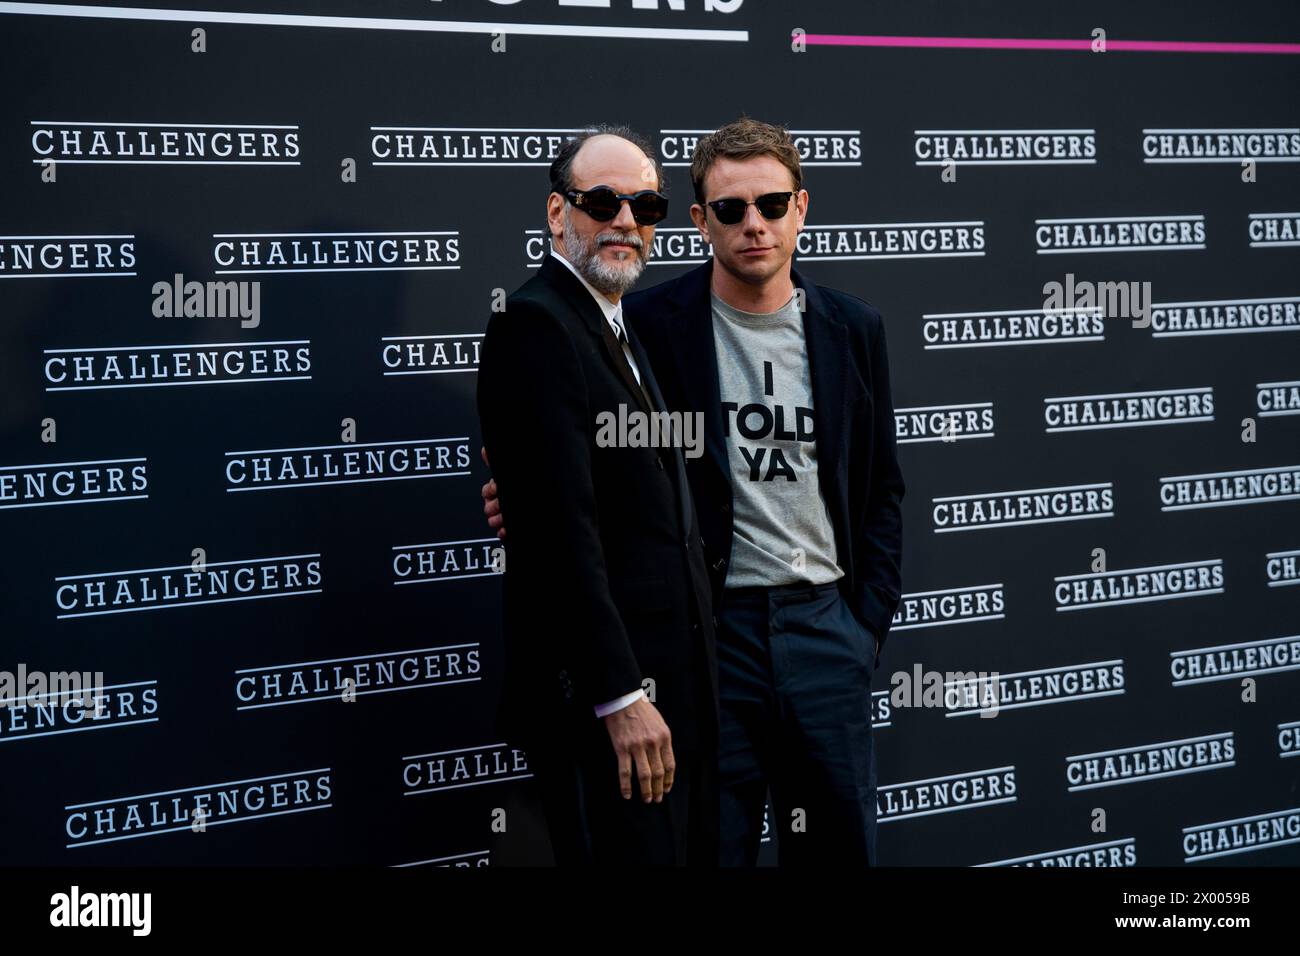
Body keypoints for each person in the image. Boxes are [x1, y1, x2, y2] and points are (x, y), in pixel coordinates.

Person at [483, 117, 905, 866]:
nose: (755, 226)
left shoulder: (854, 329)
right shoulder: (643, 321)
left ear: (801, 208)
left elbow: (881, 487)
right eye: (732, 209)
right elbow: (595, 458)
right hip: (712, 642)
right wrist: (526, 488)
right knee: (712, 848)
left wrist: (863, 621)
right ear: (700, 220)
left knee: (838, 852)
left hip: (826, 635)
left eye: (772, 206)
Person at [476, 125, 718, 866]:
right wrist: (618, 696)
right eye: (604, 200)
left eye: (646, 206)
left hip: (669, 686)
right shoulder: (535, 325)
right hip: (605, 703)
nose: (625, 221)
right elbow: (558, 533)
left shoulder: (616, 324)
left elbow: (620, 488)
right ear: (558, 213)